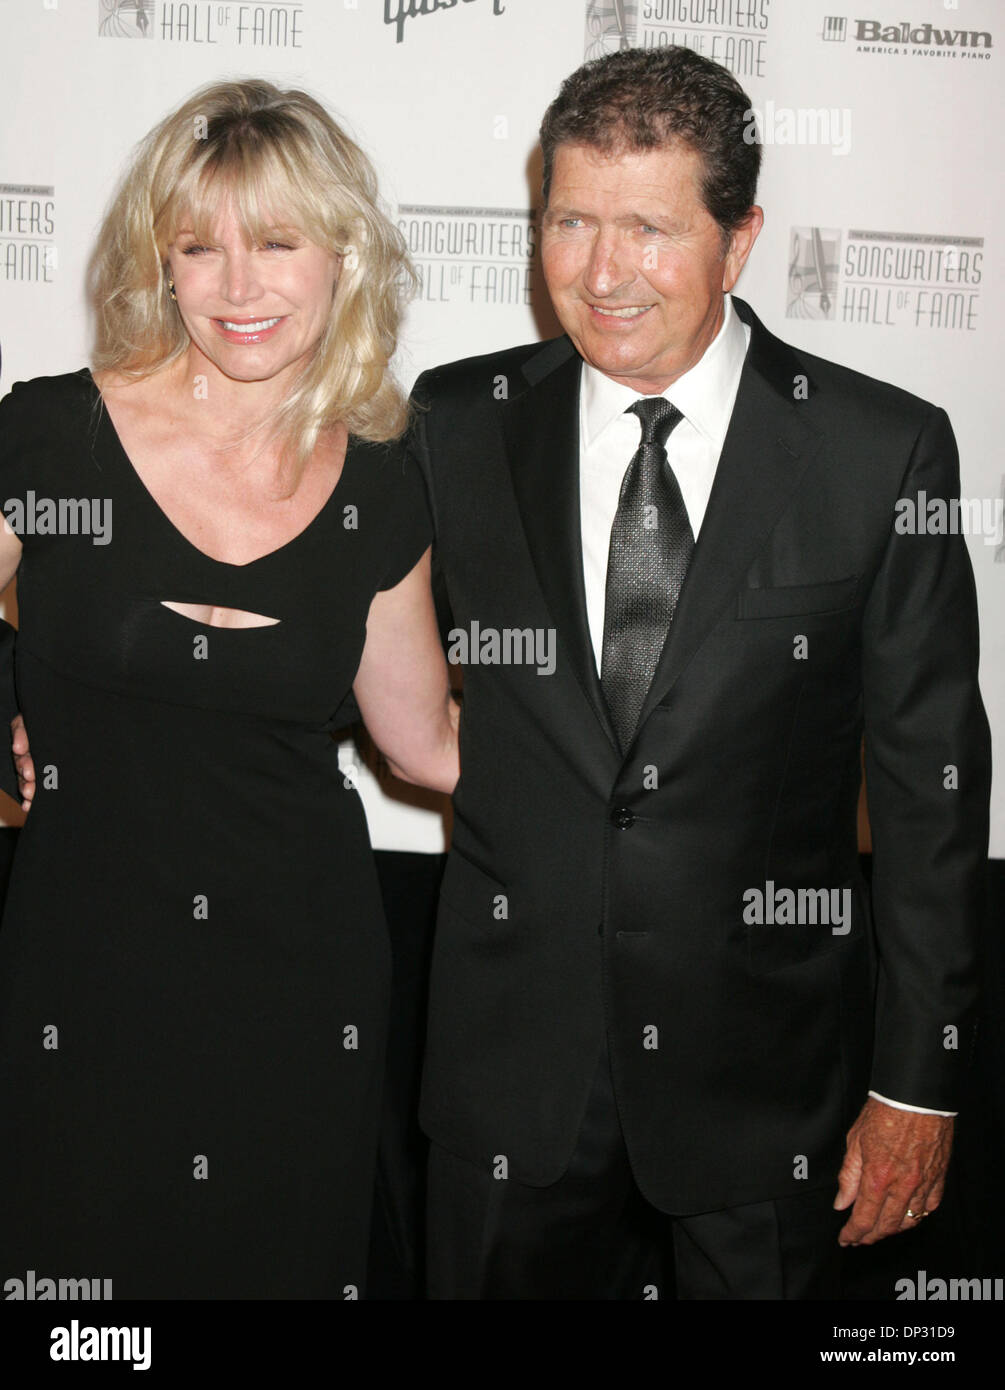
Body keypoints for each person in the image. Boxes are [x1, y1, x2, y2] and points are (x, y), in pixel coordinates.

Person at [409, 47, 992, 1298]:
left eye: (649, 229)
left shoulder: (878, 452)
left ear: (740, 240)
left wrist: (918, 1079)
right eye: (567, 220)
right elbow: (314, 608)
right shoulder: (458, 421)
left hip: (767, 1089)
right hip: (511, 1073)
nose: (600, 272)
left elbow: (933, 791)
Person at [0, 78, 457, 1299]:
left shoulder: (381, 483)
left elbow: (426, 743)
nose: (238, 287)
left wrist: (680, 763)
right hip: (84, 971)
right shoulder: (50, 439)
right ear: (161, 263)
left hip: (299, 977)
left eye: (277, 243)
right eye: (199, 247)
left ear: (343, 254)